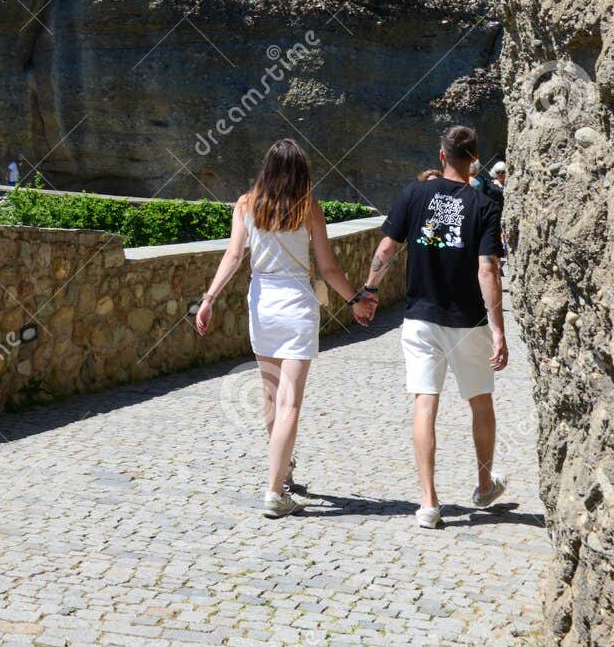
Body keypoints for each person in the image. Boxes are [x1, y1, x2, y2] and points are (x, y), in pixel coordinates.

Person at [195, 137, 376, 518]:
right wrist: (354, 300)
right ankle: (275, 492)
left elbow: (233, 255)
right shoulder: (309, 208)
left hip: (262, 301)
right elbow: (328, 269)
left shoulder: (247, 204)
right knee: (290, 399)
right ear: (301, 171)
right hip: (296, 304)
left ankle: (283, 466)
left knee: (269, 393)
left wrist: (209, 298)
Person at [359, 124, 508, 529]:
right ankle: (483, 484)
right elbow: (487, 269)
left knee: (426, 403)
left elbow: (387, 248)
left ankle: (428, 502)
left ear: (442, 156)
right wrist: (498, 329)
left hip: (420, 318)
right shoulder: (485, 206)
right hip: (467, 321)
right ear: (473, 159)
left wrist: (368, 291)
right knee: (480, 401)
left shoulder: (414, 194)